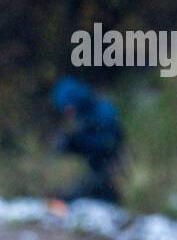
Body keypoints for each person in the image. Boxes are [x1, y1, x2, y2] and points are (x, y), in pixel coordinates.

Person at [51, 77, 123, 205]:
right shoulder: (82, 116)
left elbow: (109, 144)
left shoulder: (104, 112)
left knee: (82, 193)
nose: (68, 113)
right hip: (94, 169)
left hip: (111, 171)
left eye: (69, 108)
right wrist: (69, 144)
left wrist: (78, 142)